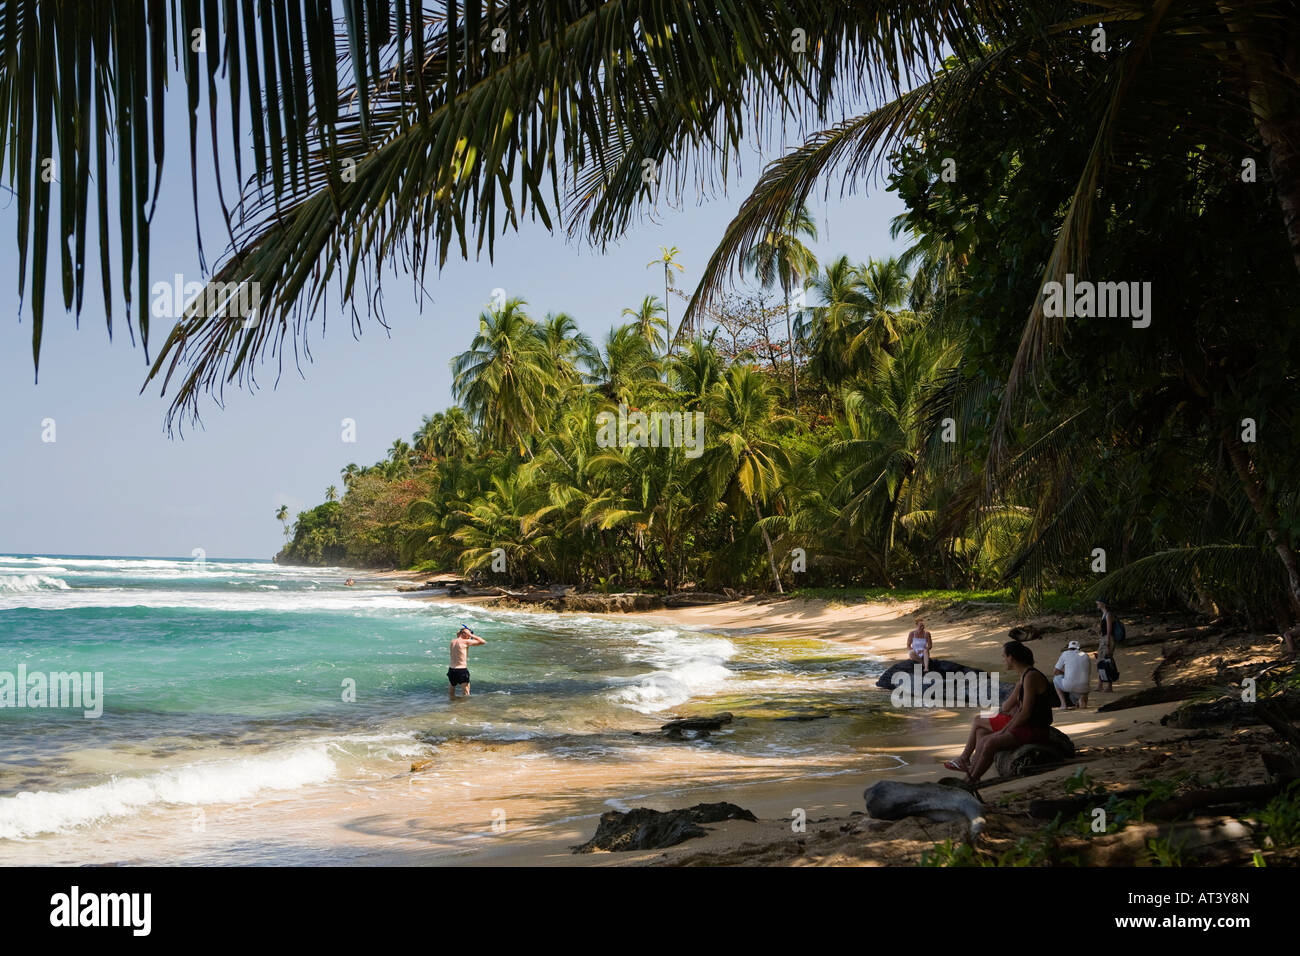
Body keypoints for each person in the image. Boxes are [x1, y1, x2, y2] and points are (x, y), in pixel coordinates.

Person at [943, 642, 1052, 785]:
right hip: (1027, 725)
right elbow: (1017, 709)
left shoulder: (1030, 676)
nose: (1003, 660)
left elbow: (1025, 713)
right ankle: (970, 778)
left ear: (1011, 657)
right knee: (982, 736)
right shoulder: (1025, 675)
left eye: (1003, 656)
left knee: (989, 742)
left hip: (1035, 729)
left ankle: (971, 781)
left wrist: (1005, 730)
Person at [448, 625, 486, 699]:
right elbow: (483, 641)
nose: (470, 637)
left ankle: (451, 707)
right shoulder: (465, 641)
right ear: (465, 634)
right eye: (469, 635)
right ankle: (465, 709)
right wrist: (471, 635)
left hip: (451, 669)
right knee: (466, 694)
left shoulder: (452, 641)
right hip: (461, 670)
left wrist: (464, 632)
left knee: (451, 692)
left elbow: (458, 636)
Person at [1053, 640, 1091, 709]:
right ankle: (1081, 699)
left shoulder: (1065, 654)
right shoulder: (1085, 655)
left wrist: (1064, 673)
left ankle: (1063, 704)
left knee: (1055, 679)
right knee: (1078, 687)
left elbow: (1055, 671)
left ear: (1069, 648)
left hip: (1070, 686)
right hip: (1085, 687)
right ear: (1079, 648)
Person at [1096, 599, 1119, 692]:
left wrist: (1108, 643)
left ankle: (1109, 686)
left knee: (1107, 661)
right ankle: (1100, 684)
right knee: (1101, 661)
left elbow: (1109, 630)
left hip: (1107, 639)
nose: (1097, 604)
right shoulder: (1104, 614)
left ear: (1103, 604)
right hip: (1104, 639)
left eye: (1098, 602)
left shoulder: (1108, 615)